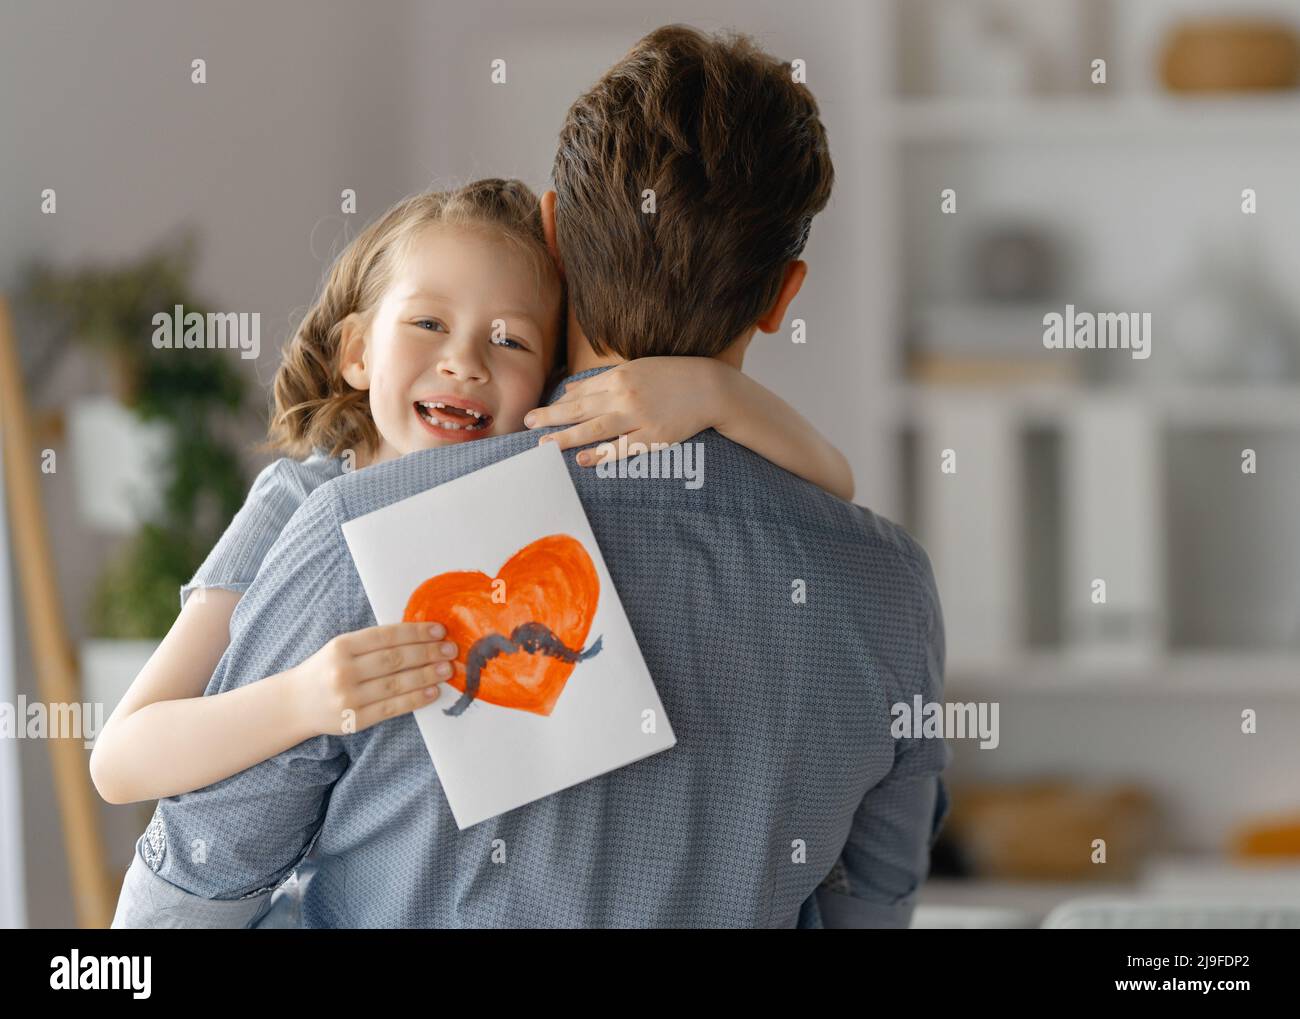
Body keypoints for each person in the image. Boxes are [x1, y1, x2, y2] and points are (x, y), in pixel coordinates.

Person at [113, 23, 949, 929]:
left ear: (554, 236)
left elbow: (176, 917)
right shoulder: (890, 585)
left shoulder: (351, 534)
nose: (462, 364)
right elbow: (873, 903)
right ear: (784, 294)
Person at [88, 178, 853, 808]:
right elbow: (121, 760)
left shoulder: (544, 473)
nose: (463, 361)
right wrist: (305, 699)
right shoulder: (298, 500)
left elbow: (832, 486)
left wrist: (714, 391)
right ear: (356, 351)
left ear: (549, 376)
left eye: (510, 339)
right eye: (427, 321)